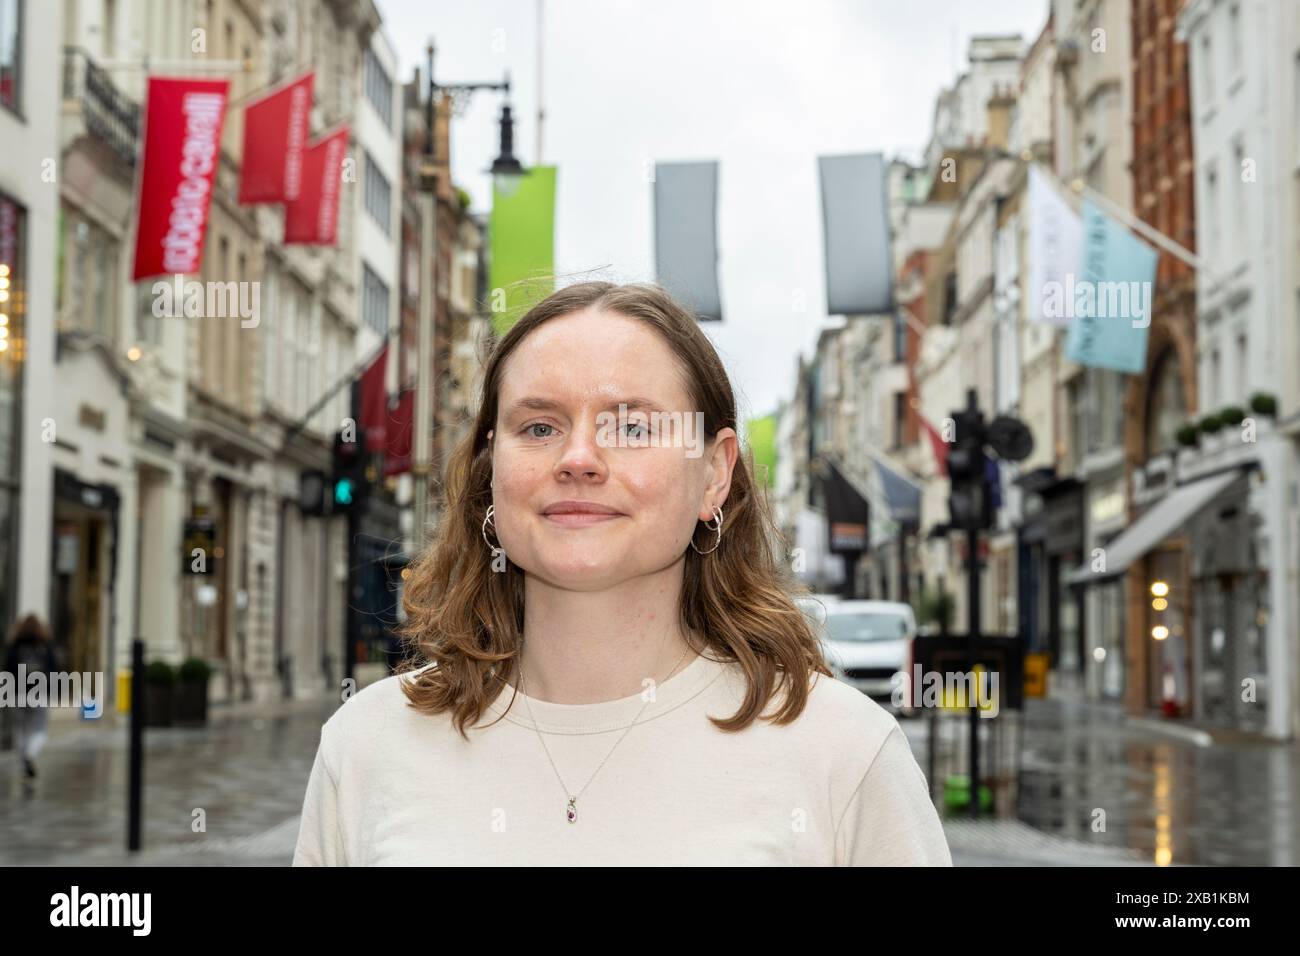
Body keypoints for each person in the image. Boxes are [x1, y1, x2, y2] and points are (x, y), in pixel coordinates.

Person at [293, 282, 952, 866]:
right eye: (540, 425)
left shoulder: (842, 753)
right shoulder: (366, 746)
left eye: (632, 426)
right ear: (492, 468)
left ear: (715, 472)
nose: (579, 458)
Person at [2, 614, 59, 780]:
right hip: (39, 692)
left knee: (21, 729)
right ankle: (30, 755)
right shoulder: (44, 645)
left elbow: (7, 668)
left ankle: (25, 758)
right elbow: (53, 668)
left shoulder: (15, 645)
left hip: (18, 692)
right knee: (39, 729)